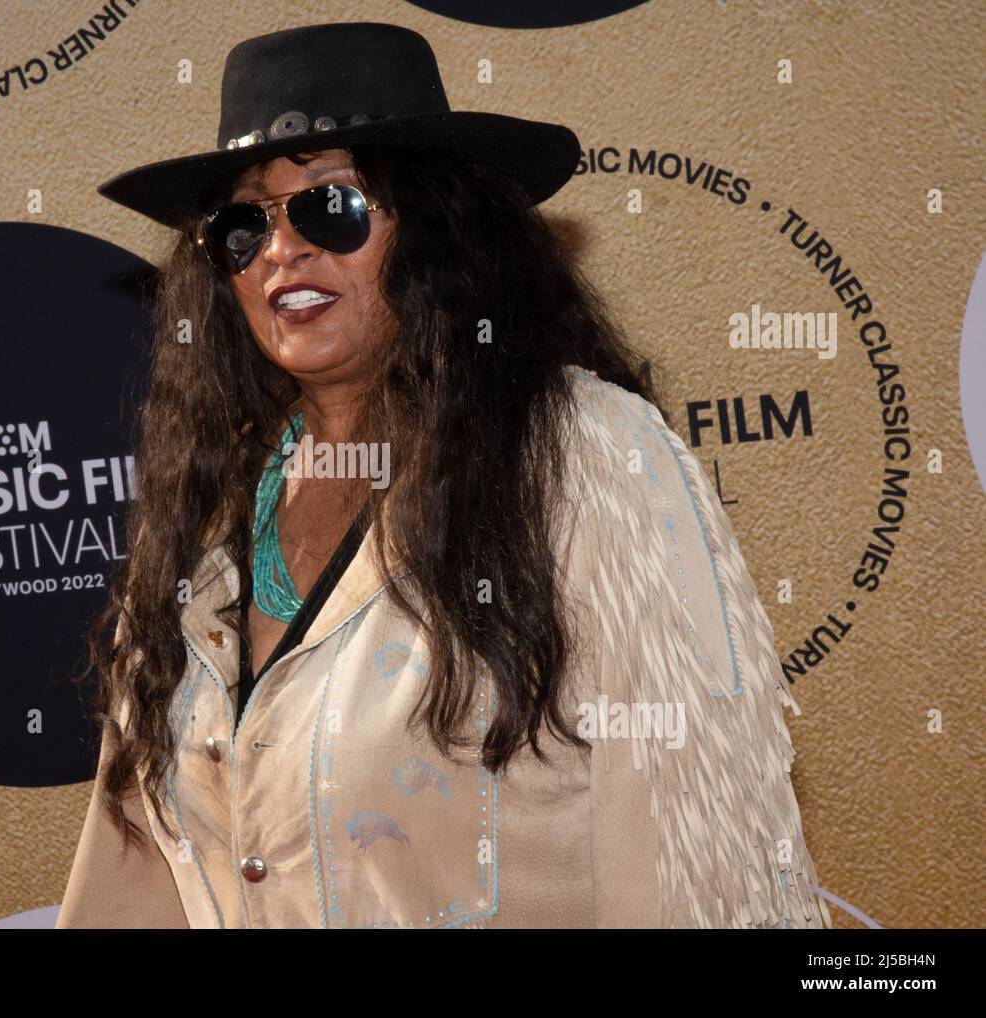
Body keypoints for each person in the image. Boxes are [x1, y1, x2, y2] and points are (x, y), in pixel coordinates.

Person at [57, 21, 832, 929]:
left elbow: (693, 857)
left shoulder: (587, 457)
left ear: (440, 229)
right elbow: (135, 882)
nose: (280, 251)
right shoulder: (213, 507)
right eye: (241, 225)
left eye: (330, 207)